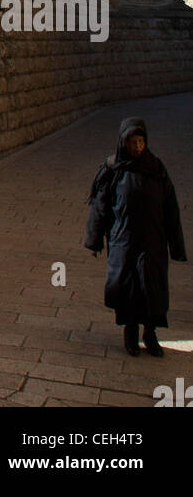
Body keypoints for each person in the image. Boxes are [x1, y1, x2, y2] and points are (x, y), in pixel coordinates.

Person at [85, 116, 186, 357]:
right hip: (125, 242)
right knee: (128, 288)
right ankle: (130, 332)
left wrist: (176, 246)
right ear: (123, 143)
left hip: (153, 242)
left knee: (152, 288)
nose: (137, 147)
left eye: (141, 141)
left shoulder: (156, 169)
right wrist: (94, 238)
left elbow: (171, 209)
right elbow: (100, 207)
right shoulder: (113, 170)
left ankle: (150, 334)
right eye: (133, 142)